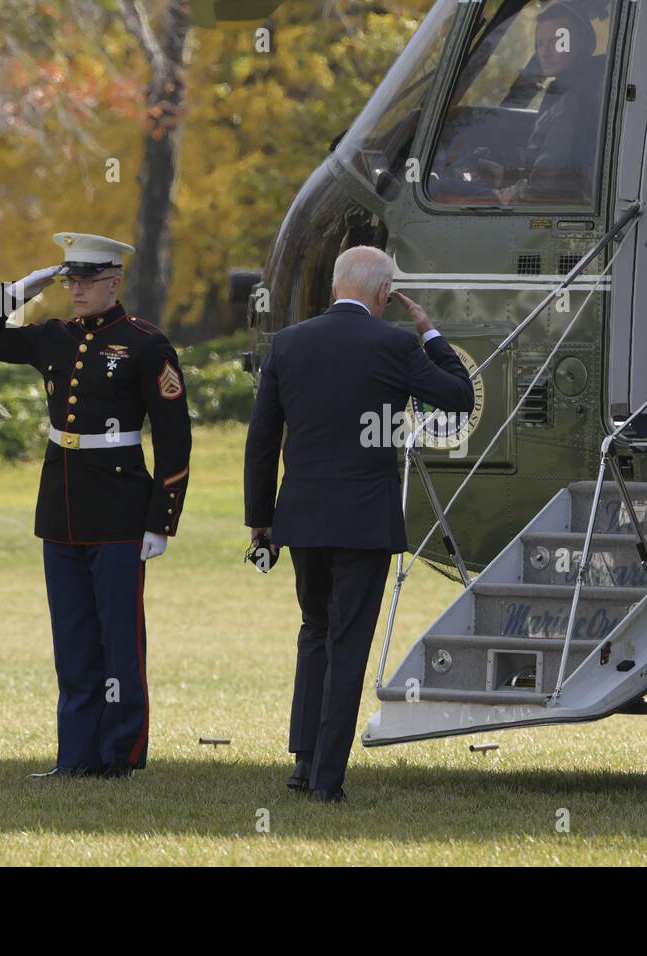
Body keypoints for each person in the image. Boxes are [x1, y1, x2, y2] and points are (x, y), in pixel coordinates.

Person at [243, 246, 474, 803]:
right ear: (383, 294)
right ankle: (328, 781)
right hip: (364, 525)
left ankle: (303, 764)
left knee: (315, 632)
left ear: (334, 288)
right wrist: (432, 335)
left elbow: (262, 440)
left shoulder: (289, 344)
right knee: (347, 645)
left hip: (301, 519)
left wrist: (261, 520)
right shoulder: (395, 344)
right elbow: (458, 398)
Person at [0, 232, 192, 780]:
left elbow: (175, 438)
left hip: (119, 509)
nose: (77, 290)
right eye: (70, 280)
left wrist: (162, 519)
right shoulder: (54, 338)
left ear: (115, 281)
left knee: (119, 639)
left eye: (86, 281)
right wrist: (23, 288)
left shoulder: (145, 344)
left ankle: (119, 755)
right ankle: (76, 757)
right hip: (61, 507)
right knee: (73, 640)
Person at [447, 2, 604, 205]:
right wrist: (505, 175)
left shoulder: (577, 100)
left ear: (582, 43)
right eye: (540, 44)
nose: (545, 52)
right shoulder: (563, 92)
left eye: (558, 41)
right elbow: (546, 170)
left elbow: (552, 183)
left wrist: (517, 195)